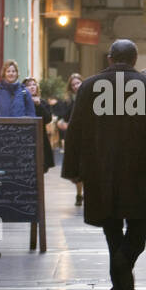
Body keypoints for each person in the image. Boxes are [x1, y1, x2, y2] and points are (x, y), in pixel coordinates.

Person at [61, 40, 146, 290]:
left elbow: (74, 131)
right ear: (134, 60)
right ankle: (122, 269)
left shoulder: (88, 86)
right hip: (137, 170)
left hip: (99, 168)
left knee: (111, 225)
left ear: (110, 58)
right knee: (139, 225)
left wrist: (73, 168)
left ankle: (119, 276)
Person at [55, 73, 84, 204]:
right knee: (77, 168)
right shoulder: (69, 101)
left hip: (88, 137)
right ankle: (79, 194)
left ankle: (86, 194)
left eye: (78, 83)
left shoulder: (89, 97)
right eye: (73, 85)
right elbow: (63, 118)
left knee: (88, 167)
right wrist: (61, 123)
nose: (76, 86)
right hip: (74, 138)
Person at [23, 77, 54, 173]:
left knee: (40, 171)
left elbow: (48, 118)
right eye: (28, 85)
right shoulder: (21, 102)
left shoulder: (42, 102)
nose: (32, 87)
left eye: (34, 84)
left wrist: (39, 105)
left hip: (41, 139)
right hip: (24, 140)